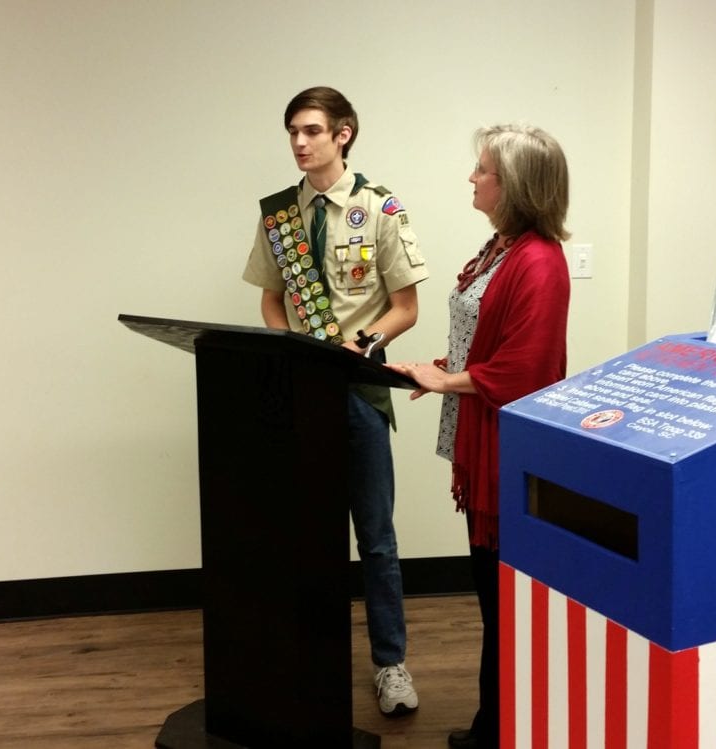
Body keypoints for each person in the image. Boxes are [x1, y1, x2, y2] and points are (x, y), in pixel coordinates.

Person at [241, 86, 428, 716]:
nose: (299, 142)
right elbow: (271, 297)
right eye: (293, 131)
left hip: (358, 393)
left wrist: (360, 344)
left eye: (312, 130)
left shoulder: (377, 208)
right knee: (301, 533)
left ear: (343, 134)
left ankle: (392, 666)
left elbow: (406, 307)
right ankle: (305, 658)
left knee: (375, 535)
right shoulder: (279, 215)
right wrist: (290, 347)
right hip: (301, 390)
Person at [389, 124, 571, 749]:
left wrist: (447, 384)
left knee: (505, 606)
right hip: (480, 441)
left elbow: (525, 369)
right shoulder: (500, 247)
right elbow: (483, 340)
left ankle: (502, 730)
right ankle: (493, 724)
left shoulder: (540, 262)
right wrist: (441, 368)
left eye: (482, 169)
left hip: (509, 455)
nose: (472, 177)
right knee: (495, 601)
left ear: (513, 185)